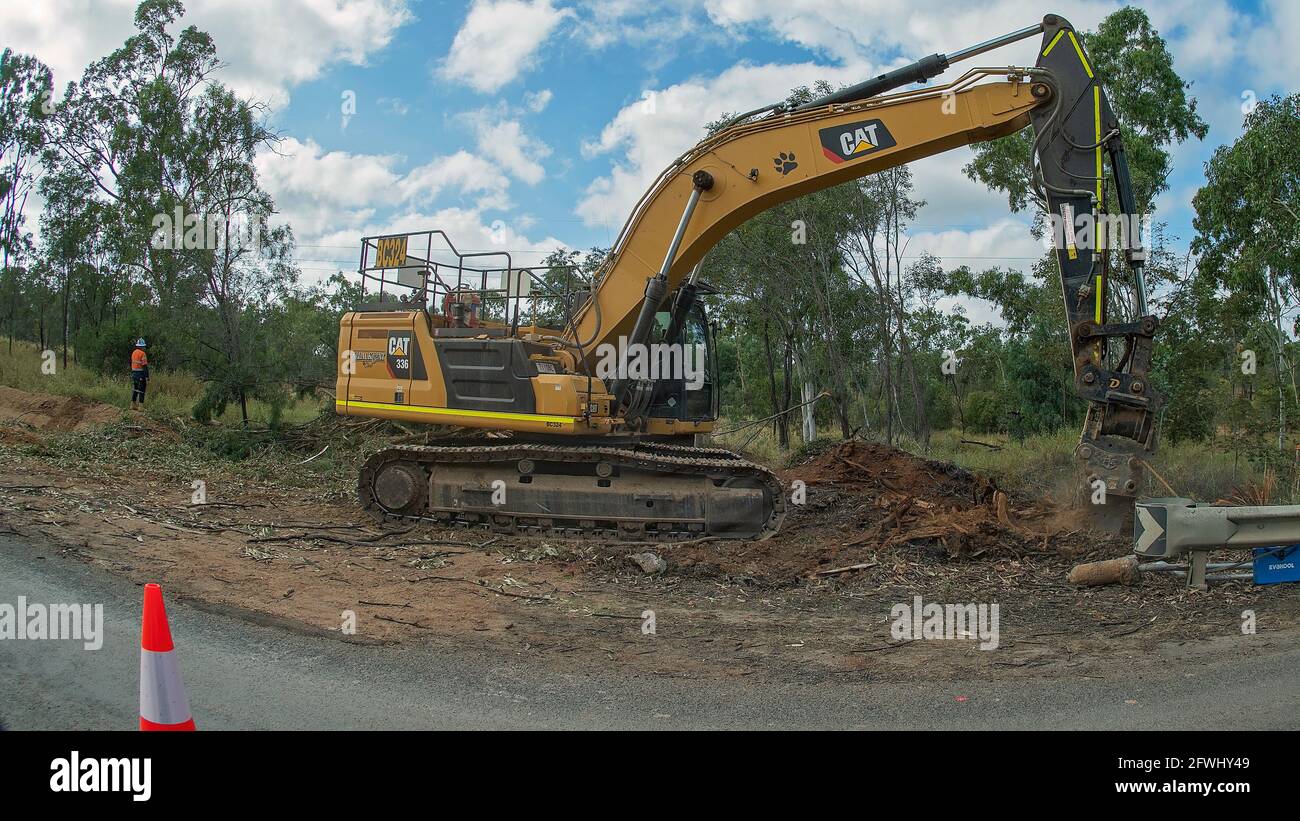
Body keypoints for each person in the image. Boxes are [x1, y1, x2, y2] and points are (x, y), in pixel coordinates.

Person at [130, 338, 149, 410]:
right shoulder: (142, 354)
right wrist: (147, 376)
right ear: (141, 346)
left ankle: (132, 405)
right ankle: (141, 406)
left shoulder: (134, 352)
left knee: (135, 389)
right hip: (141, 374)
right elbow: (144, 366)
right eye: (143, 346)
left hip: (134, 373)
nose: (144, 348)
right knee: (142, 390)